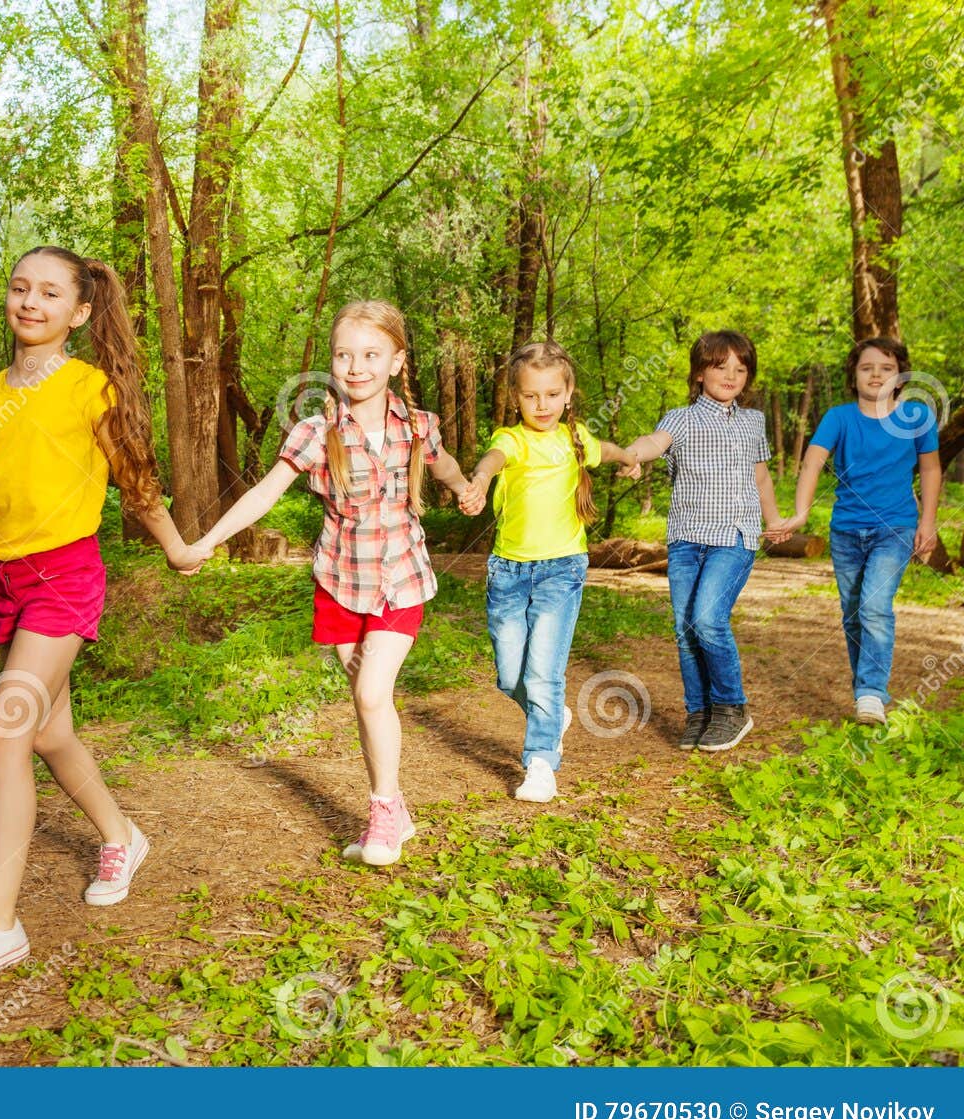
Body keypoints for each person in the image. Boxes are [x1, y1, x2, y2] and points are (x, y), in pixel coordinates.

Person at [0, 246, 199, 988]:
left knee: (5, 726)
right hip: (9, 582)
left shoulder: (91, 390)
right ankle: (122, 835)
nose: (31, 301)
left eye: (50, 293)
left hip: (67, 574)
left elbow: (139, 482)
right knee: (51, 731)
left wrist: (178, 548)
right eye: (21, 288)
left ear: (79, 313)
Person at [183, 300, 470, 865]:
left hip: (401, 580)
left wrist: (466, 487)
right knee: (367, 698)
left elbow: (445, 464)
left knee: (370, 692)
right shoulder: (316, 432)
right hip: (339, 580)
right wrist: (208, 540)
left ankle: (383, 813)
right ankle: (398, 810)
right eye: (344, 355)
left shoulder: (417, 425)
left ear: (396, 361)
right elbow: (264, 492)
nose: (355, 366)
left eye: (370, 354)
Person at [459, 341, 641, 803]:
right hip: (508, 571)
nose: (542, 405)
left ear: (568, 392)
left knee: (543, 671)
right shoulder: (512, 440)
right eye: (530, 396)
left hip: (562, 569)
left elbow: (610, 449)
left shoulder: (576, 439)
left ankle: (540, 762)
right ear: (515, 397)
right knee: (508, 675)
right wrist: (480, 480)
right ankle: (551, 714)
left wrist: (631, 460)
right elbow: (492, 460)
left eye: (551, 394)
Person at [767, 337, 942, 725]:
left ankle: (870, 695)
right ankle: (866, 689)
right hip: (846, 530)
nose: (876, 374)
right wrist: (799, 514)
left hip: (894, 527)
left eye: (886, 368)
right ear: (854, 375)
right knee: (853, 614)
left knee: (875, 608)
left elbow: (930, 470)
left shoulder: (916, 416)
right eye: (867, 368)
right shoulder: (838, 417)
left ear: (900, 377)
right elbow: (813, 463)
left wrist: (927, 523)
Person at [623, 331, 782, 752]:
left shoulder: (753, 422)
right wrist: (631, 456)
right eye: (720, 365)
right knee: (685, 627)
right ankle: (701, 711)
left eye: (741, 368)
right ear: (699, 372)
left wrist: (776, 519)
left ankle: (732, 707)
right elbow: (653, 443)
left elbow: (760, 476)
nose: (731, 375)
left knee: (708, 619)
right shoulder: (680, 418)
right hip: (686, 541)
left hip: (734, 536)